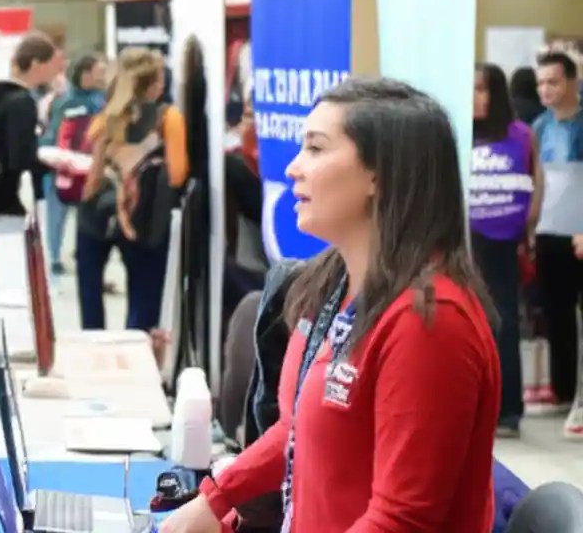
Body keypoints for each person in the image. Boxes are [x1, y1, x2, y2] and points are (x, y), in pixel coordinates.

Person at [161, 77, 500, 533]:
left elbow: (402, 521)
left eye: (316, 149)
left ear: (379, 175)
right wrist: (213, 499)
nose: (294, 168)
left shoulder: (430, 320)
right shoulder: (336, 286)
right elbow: (298, 429)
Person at [0, 32, 63, 358]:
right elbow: (20, 157)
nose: (54, 74)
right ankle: (11, 341)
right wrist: (49, 163)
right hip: (8, 201)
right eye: (50, 66)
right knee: (14, 274)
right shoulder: (22, 102)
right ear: (35, 63)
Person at [76, 48, 187, 331]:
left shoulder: (104, 119)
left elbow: (88, 164)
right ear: (154, 83)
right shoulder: (167, 117)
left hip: (94, 212)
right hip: (144, 218)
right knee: (143, 298)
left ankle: (94, 357)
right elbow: (177, 175)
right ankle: (136, 359)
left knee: (90, 297)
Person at [472, 63, 542, 438]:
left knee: (504, 323)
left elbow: (536, 185)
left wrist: (527, 233)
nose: (473, 96)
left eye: (481, 89)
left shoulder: (521, 134)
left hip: (503, 241)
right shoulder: (460, 134)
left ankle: (509, 410)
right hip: (465, 239)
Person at [530, 51, 583, 438]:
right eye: (541, 83)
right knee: (557, 313)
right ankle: (564, 391)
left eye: (553, 82)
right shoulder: (538, 127)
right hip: (549, 232)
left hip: (580, 232)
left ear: (572, 81)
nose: (546, 90)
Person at [41, 54, 108, 275]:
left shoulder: (103, 100)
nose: (103, 75)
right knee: (56, 213)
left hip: (92, 167)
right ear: (85, 73)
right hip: (62, 167)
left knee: (87, 214)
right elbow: (53, 132)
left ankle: (82, 252)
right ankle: (54, 255)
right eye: (99, 70)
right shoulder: (63, 100)